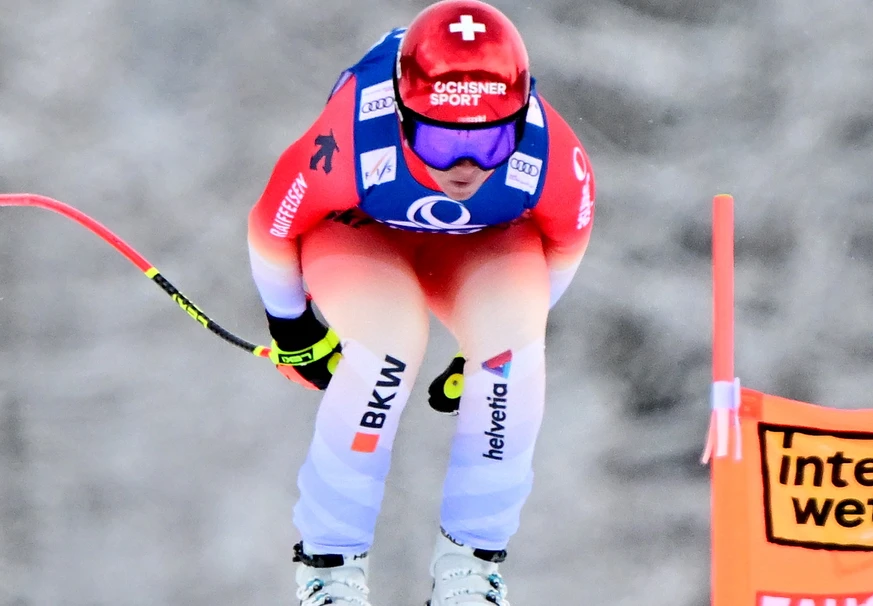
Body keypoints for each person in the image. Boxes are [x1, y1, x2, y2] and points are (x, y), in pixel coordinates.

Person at [246, 0, 595, 603]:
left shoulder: (547, 153)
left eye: (489, 146)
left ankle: (471, 567)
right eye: (438, 142)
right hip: (360, 233)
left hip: (482, 245)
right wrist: (293, 327)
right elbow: (271, 228)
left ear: (518, 121)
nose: (463, 168)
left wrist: (479, 352)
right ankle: (329, 570)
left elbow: (566, 245)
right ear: (404, 119)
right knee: (387, 351)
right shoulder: (354, 135)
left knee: (510, 354)